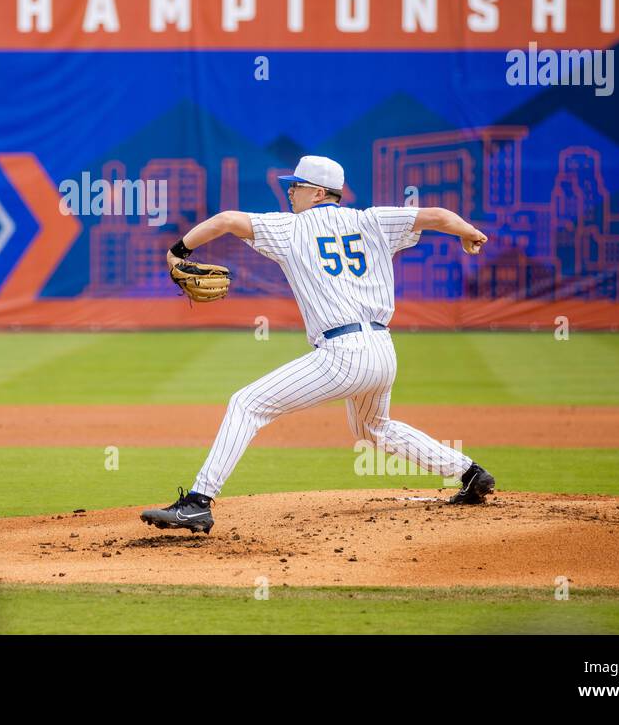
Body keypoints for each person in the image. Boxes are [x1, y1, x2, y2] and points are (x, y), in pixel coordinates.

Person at [141, 155, 496, 535]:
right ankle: (470, 472)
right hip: (383, 349)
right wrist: (467, 232)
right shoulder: (372, 220)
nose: (289, 191)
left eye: (295, 185)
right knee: (373, 429)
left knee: (247, 404)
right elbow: (439, 215)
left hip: (342, 354)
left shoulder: (290, 228)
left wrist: (179, 250)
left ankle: (198, 502)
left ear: (317, 192)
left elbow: (227, 220)